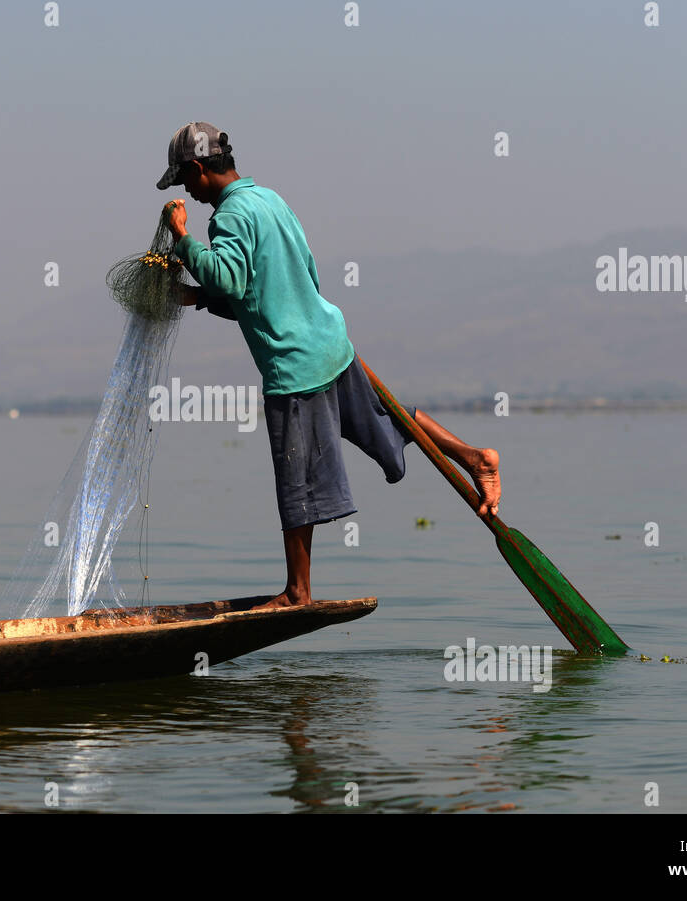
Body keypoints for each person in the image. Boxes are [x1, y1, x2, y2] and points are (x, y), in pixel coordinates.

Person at [156, 122, 501, 609]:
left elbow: (229, 279)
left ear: (197, 168)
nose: (186, 191)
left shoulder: (229, 218)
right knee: (387, 418)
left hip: (297, 366)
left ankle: (298, 591)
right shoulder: (270, 200)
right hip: (331, 342)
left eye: (185, 181)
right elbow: (278, 282)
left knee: (296, 477)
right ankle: (474, 457)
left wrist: (183, 238)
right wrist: (197, 299)